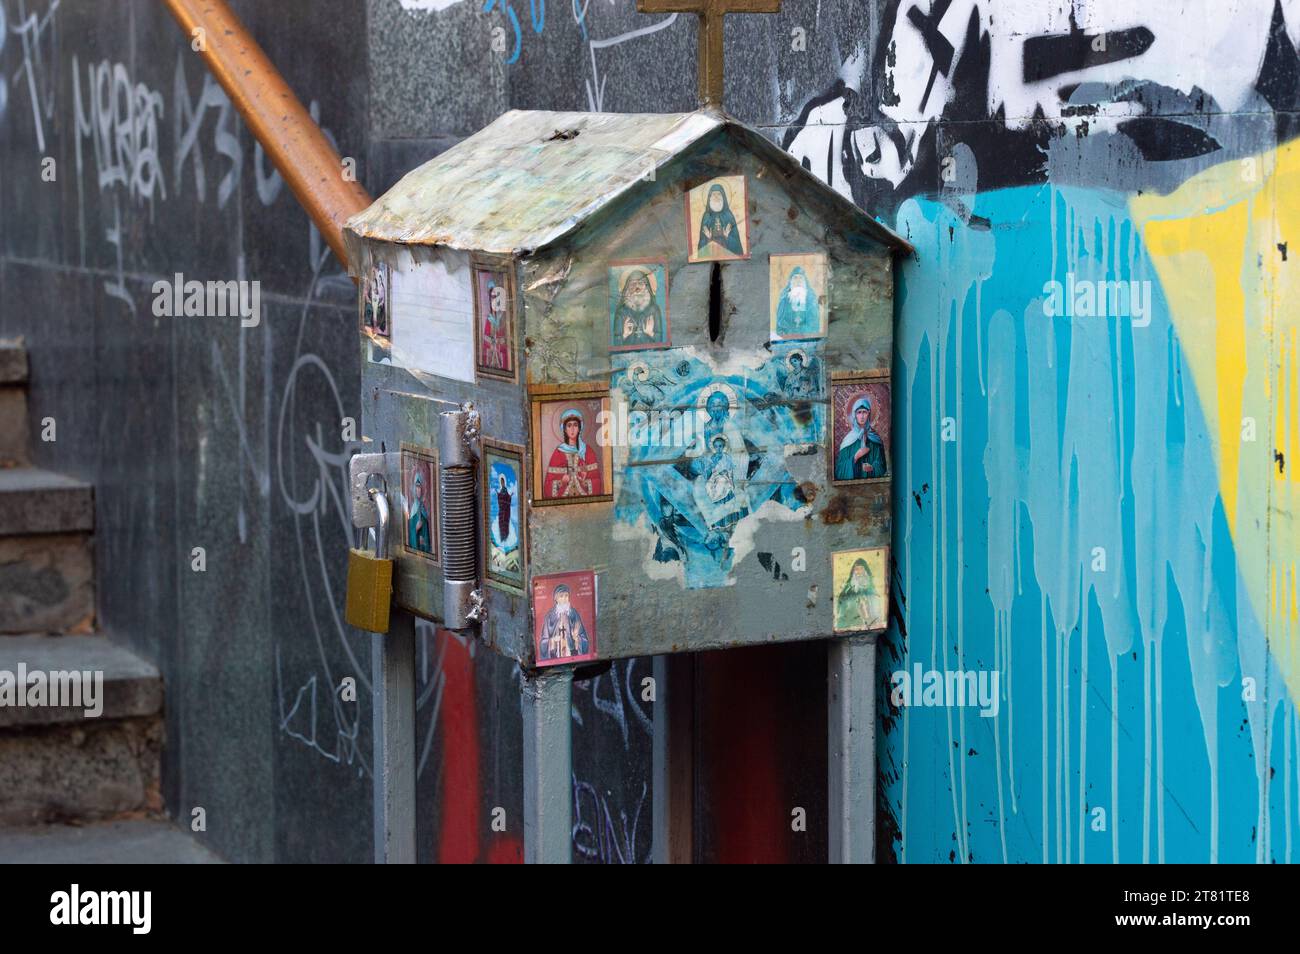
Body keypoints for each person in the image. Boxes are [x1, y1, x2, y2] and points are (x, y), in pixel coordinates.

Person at [545, 408, 603, 498]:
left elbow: (597, 482)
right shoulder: (558, 452)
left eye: (575, 425)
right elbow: (548, 486)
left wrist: (585, 482)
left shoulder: (588, 451)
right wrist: (561, 482)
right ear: (564, 429)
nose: (572, 429)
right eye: (569, 425)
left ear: (579, 428)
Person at [834, 395, 888, 480]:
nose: (862, 416)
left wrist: (872, 468)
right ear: (854, 415)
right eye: (859, 412)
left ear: (869, 414)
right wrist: (855, 457)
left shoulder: (875, 438)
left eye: (864, 412)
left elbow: (882, 465)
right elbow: (839, 470)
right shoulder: (848, 440)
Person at [538, 584, 590, 660]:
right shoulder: (549, 616)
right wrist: (553, 640)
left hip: (572, 654)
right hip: (555, 655)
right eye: (561, 596)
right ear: (556, 598)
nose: (564, 599)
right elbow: (543, 641)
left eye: (566, 596)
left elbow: (584, 638)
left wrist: (577, 639)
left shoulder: (574, 613)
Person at [612, 269, 663, 346]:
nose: (637, 288)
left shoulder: (654, 310)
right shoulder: (621, 312)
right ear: (627, 287)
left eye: (641, 283)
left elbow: (660, 343)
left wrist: (651, 333)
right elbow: (616, 343)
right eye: (633, 284)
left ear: (646, 287)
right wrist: (624, 334)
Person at [696, 183, 744, 257]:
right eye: (714, 194)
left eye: (719, 194)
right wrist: (707, 238)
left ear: (723, 197)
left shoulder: (728, 215)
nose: (716, 197)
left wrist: (727, 237)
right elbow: (702, 244)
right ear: (710, 197)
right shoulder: (706, 216)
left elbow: (736, 243)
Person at [835, 557, 883, 631]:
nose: (859, 572)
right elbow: (841, 609)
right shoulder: (847, 590)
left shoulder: (871, 590)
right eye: (857, 569)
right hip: (851, 624)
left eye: (861, 569)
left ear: (865, 571)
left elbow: (876, 610)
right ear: (853, 572)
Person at [774, 265, 821, 337]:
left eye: (800, 278)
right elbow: (780, 322)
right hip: (788, 337)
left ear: (805, 281)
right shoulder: (785, 299)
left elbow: (814, 323)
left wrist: (801, 332)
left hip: (807, 337)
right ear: (791, 281)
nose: (798, 281)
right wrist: (791, 332)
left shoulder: (811, 298)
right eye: (795, 278)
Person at [481, 277, 509, 369]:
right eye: (492, 297)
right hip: (492, 355)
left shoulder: (505, 316)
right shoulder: (490, 317)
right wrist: (492, 342)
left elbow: (506, 342)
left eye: (496, 297)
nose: (494, 300)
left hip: (501, 355)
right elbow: (485, 340)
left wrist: (498, 342)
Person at [407, 469, 432, 553]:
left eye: (420, 487)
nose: (419, 490)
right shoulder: (413, 509)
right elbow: (410, 532)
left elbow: (426, 528)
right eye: (417, 487)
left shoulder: (423, 507)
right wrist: (416, 529)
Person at [495, 472, 512, 543]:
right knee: (501, 523)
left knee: (505, 522)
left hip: (506, 510)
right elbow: (501, 499)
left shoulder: (505, 490)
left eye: (503, 482)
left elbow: (507, 499)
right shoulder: (501, 490)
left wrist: (509, 497)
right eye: (501, 482)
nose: (502, 483)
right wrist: (498, 494)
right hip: (501, 511)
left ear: (504, 482)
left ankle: (506, 536)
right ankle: (502, 537)